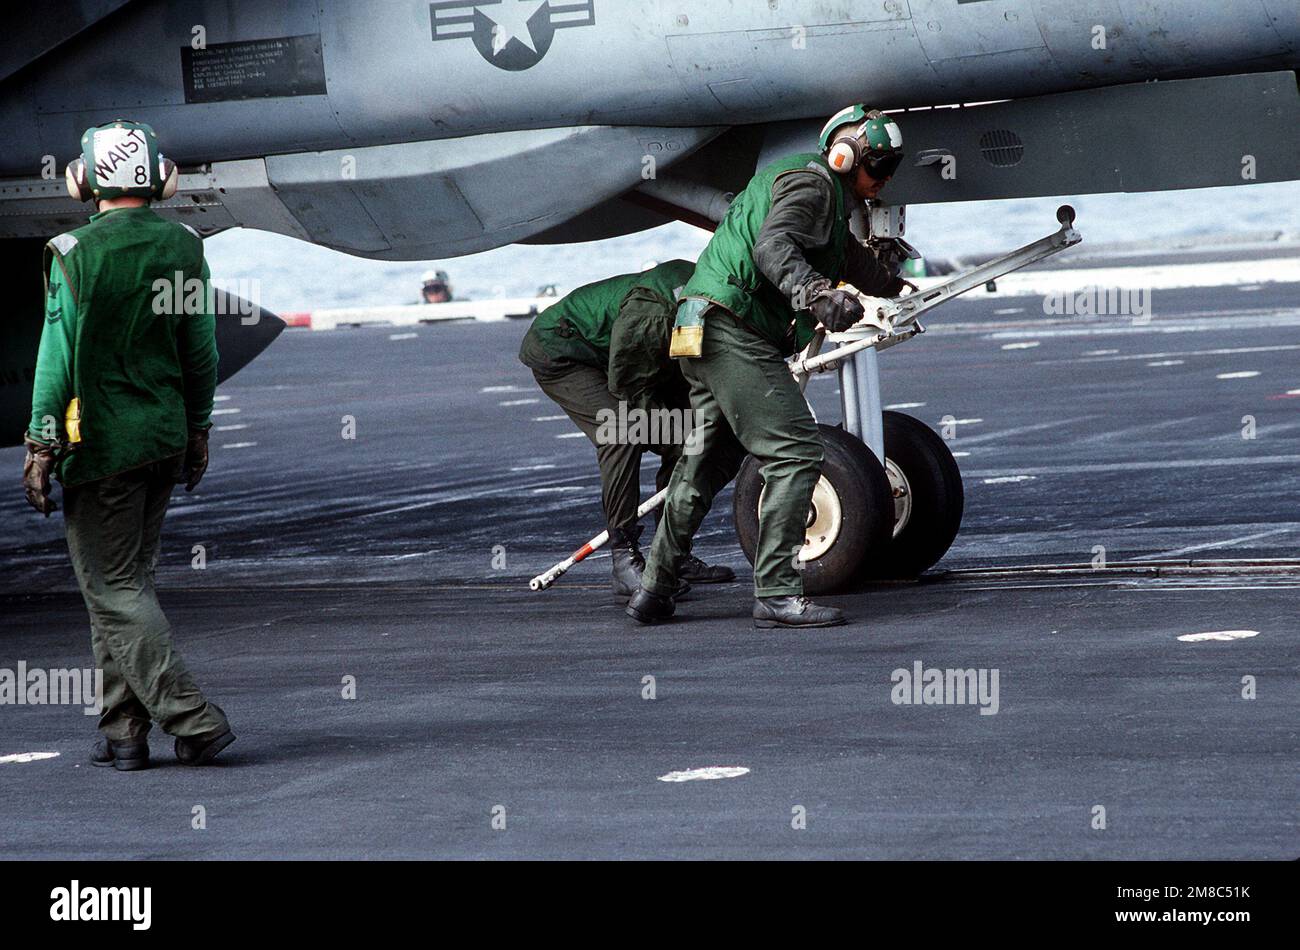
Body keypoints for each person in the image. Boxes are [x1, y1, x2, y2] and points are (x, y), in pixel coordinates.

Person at [627, 105, 909, 629]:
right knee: (798, 450)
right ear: (846, 157)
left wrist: (898, 284)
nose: (886, 178)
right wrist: (816, 294)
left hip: (698, 325)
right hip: (733, 326)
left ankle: (654, 589)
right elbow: (774, 246)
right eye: (880, 165)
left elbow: (848, 259)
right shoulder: (813, 185)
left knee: (707, 461)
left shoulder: (822, 196)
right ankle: (777, 593)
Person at [22, 119, 236, 770]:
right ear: (159, 178)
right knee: (118, 583)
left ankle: (193, 719)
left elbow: (54, 358)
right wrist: (199, 427)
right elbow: (201, 350)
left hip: (105, 445)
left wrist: (40, 440)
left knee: (113, 587)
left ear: (82, 180)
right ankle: (123, 732)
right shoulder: (185, 247)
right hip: (164, 437)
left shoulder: (73, 252)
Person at [519, 260, 737, 597]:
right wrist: (658, 424)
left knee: (688, 439)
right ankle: (623, 558)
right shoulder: (654, 313)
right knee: (620, 432)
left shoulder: (717, 289)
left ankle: (671, 555)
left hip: (625, 352)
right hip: (563, 351)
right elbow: (630, 386)